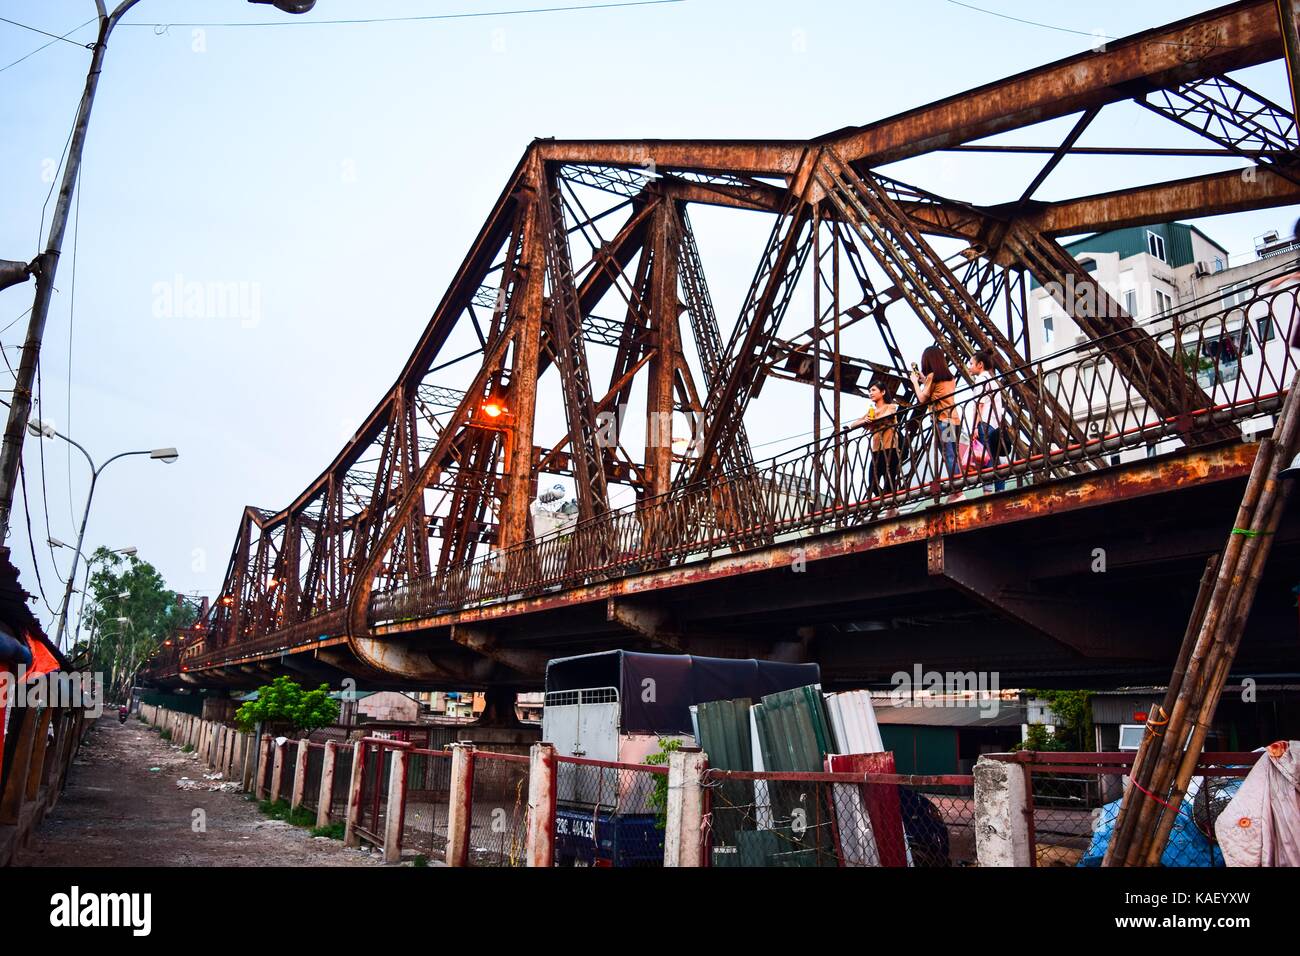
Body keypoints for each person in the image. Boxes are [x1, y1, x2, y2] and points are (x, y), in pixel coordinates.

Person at [909, 344, 961, 490]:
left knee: (948, 455)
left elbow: (922, 398)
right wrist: (924, 380)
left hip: (944, 421)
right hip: (954, 419)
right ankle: (958, 484)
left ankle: (957, 489)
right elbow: (938, 391)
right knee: (952, 454)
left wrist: (915, 383)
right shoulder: (949, 377)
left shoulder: (933, 377)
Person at [850, 378, 901, 496]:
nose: (870, 393)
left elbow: (888, 416)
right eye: (869, 391)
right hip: (876, 450)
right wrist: (865, 421)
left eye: (873, 390)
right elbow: (853, 425)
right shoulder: (871, 412)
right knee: (872, 481)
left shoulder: (890, 406)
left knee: (890, 482)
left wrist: (870, 421)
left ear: (882, 392)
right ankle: (883, 501)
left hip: (890, 448)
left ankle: (891, 508)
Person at [966, 349, 1006, 492]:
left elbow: (980, 405)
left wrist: (975, 427)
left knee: (986, 459)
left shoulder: (980, 380)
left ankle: (987, 490)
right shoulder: (993, 381)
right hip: (994, 425)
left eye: (971, 363)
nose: (969, 366)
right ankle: (1000, 490)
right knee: (995, 459)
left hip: (984, 423)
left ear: (980, 365)